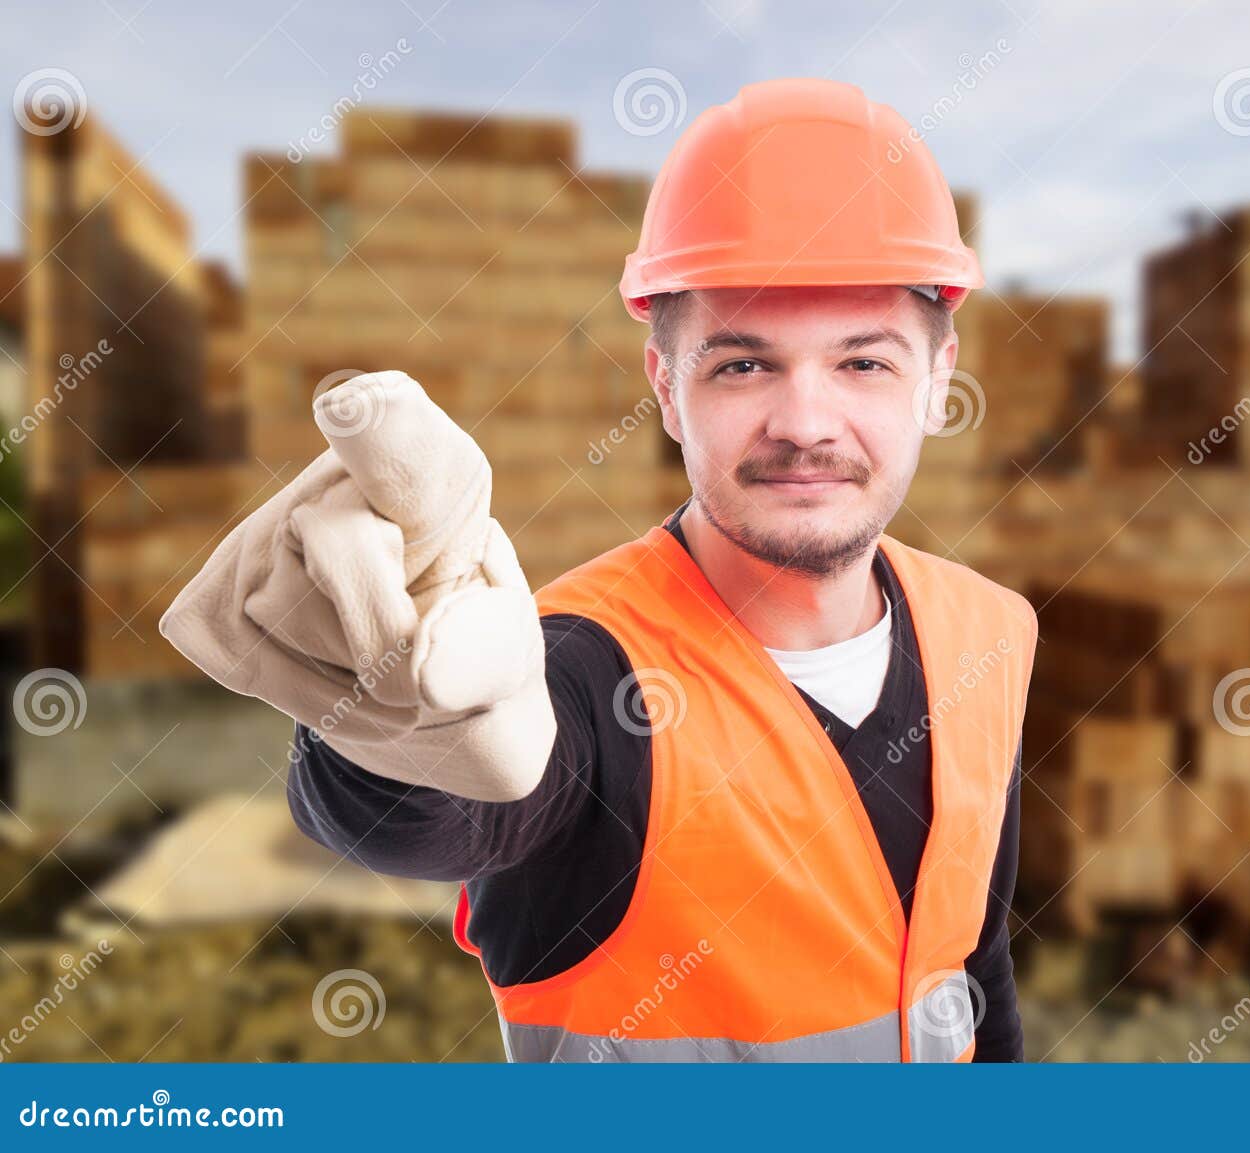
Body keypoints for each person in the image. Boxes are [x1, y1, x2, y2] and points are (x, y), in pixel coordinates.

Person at [169, 77, 1037, 1062]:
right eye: (743, 364)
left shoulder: (987, 627)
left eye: (863, 363)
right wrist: (385, 725)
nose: (803, 422)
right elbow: (463, 810)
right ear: (666, 386)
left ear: (938, 380)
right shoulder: (588, 669)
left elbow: (970, 961)